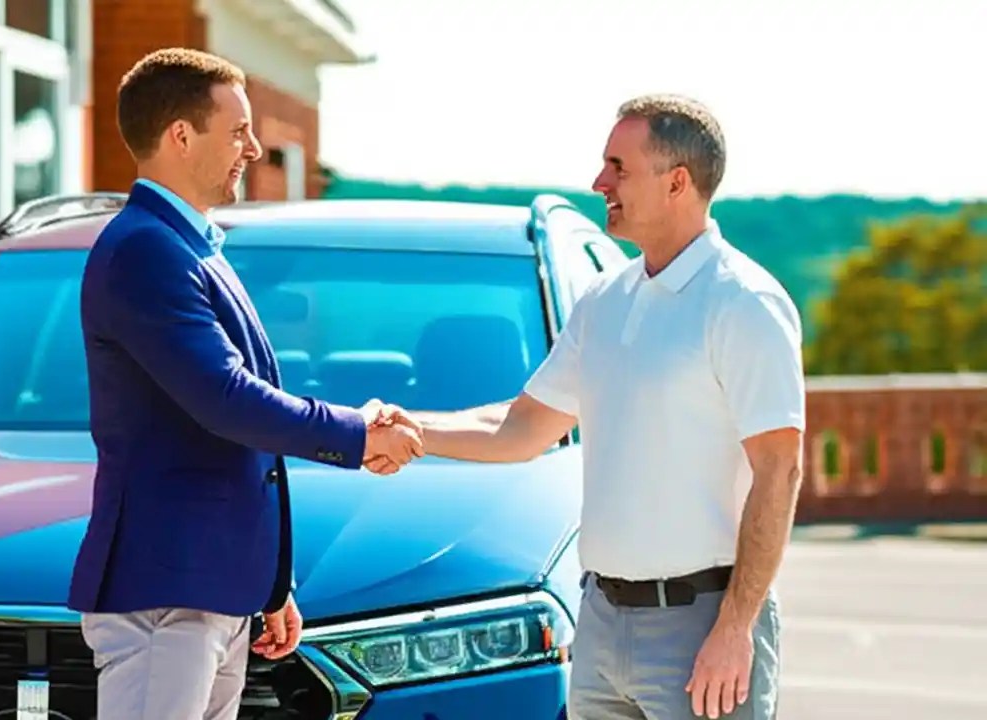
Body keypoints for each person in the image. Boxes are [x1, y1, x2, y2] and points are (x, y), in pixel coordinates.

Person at [371, 95, 804, 719]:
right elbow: (521, 427)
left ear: (676, 181)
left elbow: (779, 470)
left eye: (617, 167)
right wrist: (410, 429)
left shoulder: (743, 303)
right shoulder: (605, 300)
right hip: (601, 624)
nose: (599, 182)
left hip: (705, 627)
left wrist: (735, 628)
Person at [67, 48, 423, 720]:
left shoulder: (190, 245)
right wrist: (355, 433)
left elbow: (228, 430)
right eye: (238, 131)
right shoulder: (147, 249)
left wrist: (268, 584)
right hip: (165, 594)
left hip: (208, 592)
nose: (254, 149)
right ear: (180, 136)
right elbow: (224, 398)